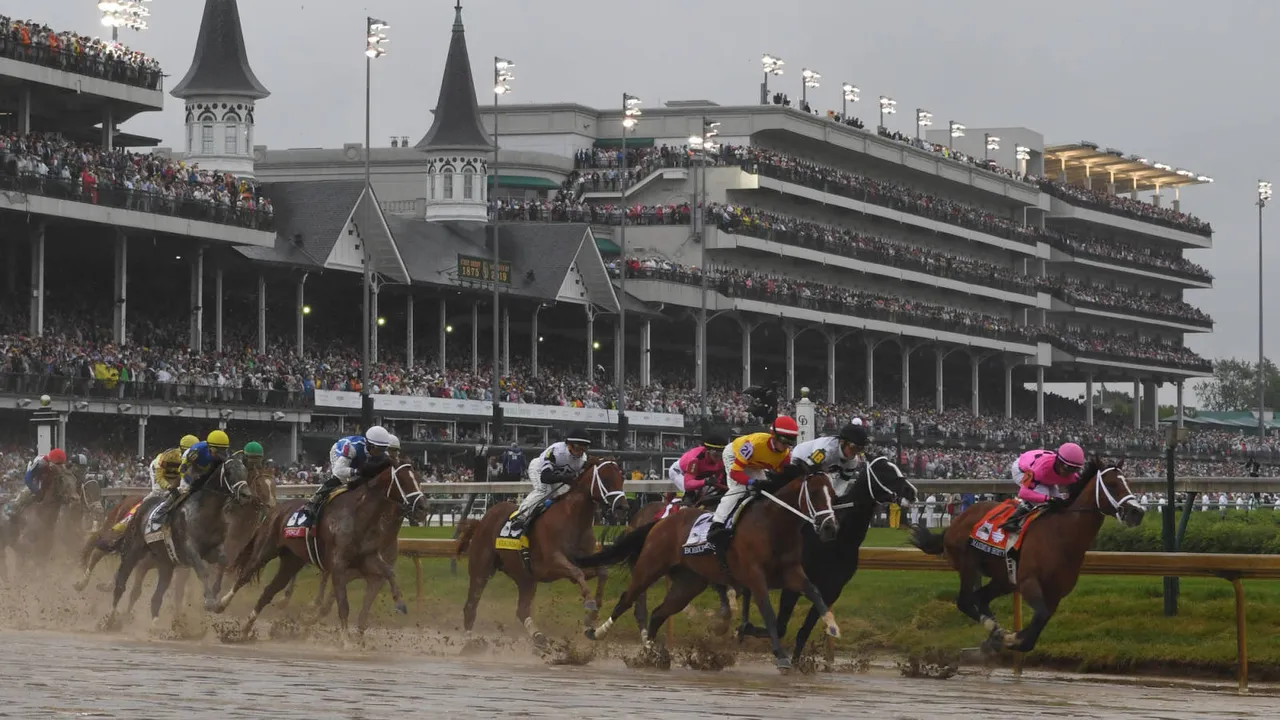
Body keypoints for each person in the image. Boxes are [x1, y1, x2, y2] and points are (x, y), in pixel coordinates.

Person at [707, 416, 801, 557]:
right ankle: (716, 525)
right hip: (734, 456)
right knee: (739, 489)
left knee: (766, 492)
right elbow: (735, 473)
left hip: (755, 464)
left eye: (790, 443)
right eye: (783, 441)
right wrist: (752, 482)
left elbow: (781, 480)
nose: (786, 446)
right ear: (773, 436)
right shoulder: (753, 444)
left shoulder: (785, 455)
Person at [509, 428, 590, 535]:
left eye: (583, 448)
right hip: (539, 470)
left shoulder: (583, 459)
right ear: (568, 444)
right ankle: (520, 516)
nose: (580, 452)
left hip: (557, 474)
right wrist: (565, 478)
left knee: (565, 494)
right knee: (544, 490)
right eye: (577, 447)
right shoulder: (555, 451)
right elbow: (545, 478)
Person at [302, 425, 393, 518]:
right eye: (378, 449)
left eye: (383, 449)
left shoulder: (383, 453)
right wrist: (356, 471)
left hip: (357, 458)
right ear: (368, 445)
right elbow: (338, 470)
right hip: (338, 451)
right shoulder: (352, 447)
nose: (380, 453)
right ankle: (313, 502)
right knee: (340, 479)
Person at [1001, 442, 1086, 530]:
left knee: (1059, 503)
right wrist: (1048, 498)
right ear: (1058, 462)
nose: (1069, 473)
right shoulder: (1038, 469)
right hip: (1022, 469)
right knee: (1043, 495)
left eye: (1075, 469)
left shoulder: (1073, 476)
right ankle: (1011, 520)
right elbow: (1023, 493)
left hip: (1045, 476)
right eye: (1067, 467)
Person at [154, 430, 232, 524]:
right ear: (209, 447)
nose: (218, 455)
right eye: (216, 451)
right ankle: (161, 512)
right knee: (184, 490)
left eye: (222, 451)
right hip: (191, 468)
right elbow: (182, 470)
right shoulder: (195, 451)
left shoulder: (224, 455)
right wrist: (191, 483)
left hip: (207, 469)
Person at [789, 423, 869, 496]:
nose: (856, 452)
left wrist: (835, 496)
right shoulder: (825, 450)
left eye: (860, 449)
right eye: (853, 447)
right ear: (842, 442)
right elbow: (807, 470)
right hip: (800, 461)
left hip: (820, 469)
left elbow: (843, 481)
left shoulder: (853, 461)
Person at [667, 433, 728, 506]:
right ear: (707, 451)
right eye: (716, 455)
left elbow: (718, 481)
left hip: (697, 475)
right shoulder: (695, 459)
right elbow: (688, 484)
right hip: (679, 473)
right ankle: (683, 508)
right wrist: (705, 481)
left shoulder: (722, 460)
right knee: (691, 494)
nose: (719, 458)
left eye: (722, 454)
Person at [6, 448, 68, 519]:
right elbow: (28, 479)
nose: (59, 466)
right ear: (52, 461)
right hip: (34, 476)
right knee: (28, 492)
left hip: (45, 477)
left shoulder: (56, 463)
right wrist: (36, 490)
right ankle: (13, 507)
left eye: (61, 464)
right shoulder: (40, 462)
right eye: (58, 464)